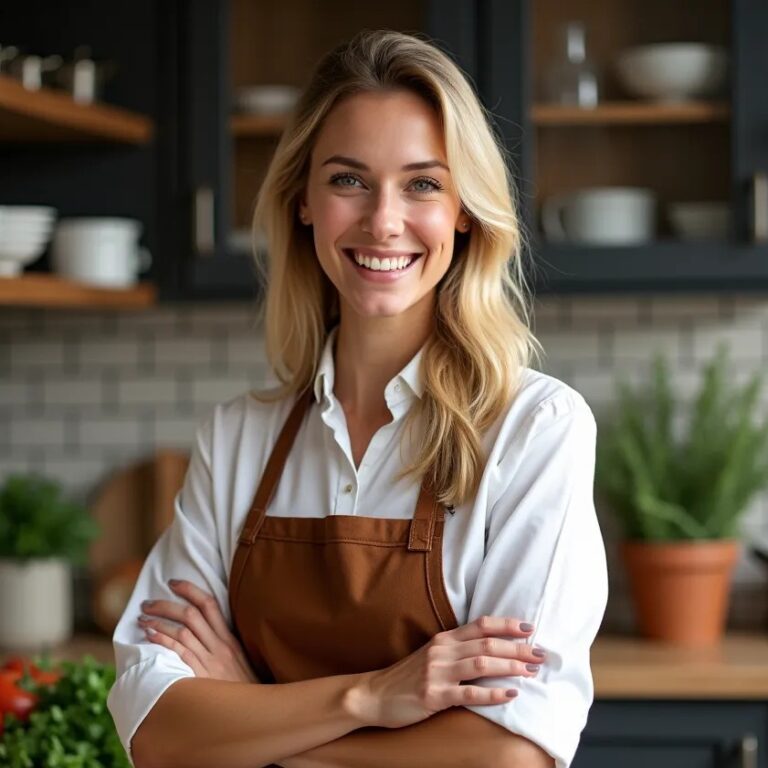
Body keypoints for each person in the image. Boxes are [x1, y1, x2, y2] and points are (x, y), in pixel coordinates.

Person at [107, 29, 608, 768]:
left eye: (423, 184)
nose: (382, 220)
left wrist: (258, 722)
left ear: (466, 210)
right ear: (303, 201)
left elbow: (507, 753)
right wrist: (369, 698)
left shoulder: (534, 429)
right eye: (348, 179)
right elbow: (156, 731)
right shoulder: (240, 437)